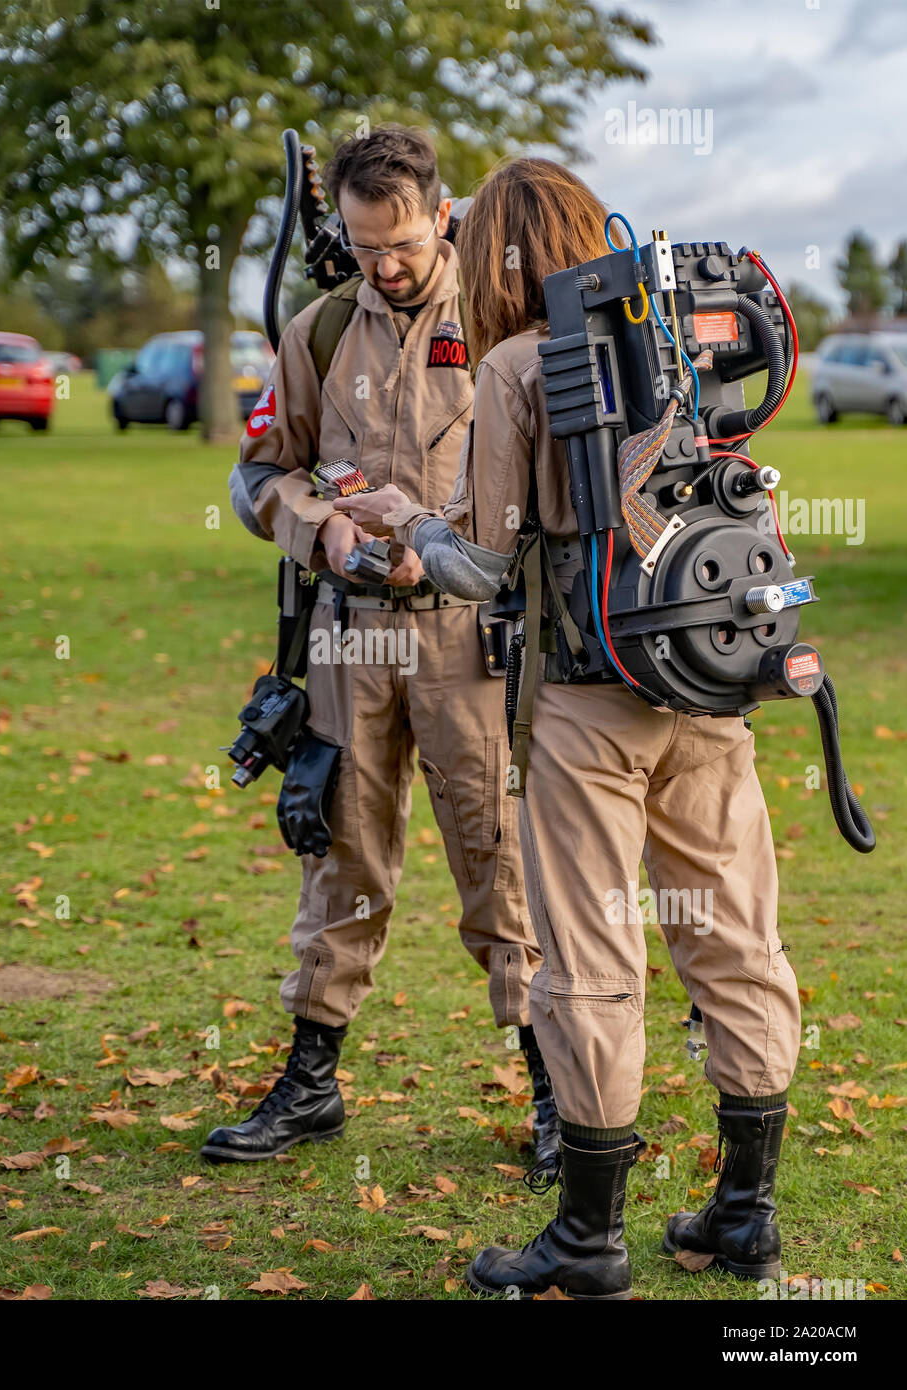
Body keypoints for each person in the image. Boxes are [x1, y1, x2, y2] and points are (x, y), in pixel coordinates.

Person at [333, 157, 802, 1300]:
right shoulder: (679, 347)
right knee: (735, 938)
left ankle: (588, 1240)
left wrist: (408, 521)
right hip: (703, 679)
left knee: (590, 961)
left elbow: (483, 563)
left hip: (586, 702)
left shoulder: (509, 365)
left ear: (492, 254)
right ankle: (745, 1214)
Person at [209, 127, 559, 1171]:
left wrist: (437, 549)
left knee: (501, 870)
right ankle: (311, 1084)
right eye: (363, 247)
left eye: (399, 243)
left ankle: (556, 1094)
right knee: (339, 864)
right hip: (346, 644)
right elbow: (257, 471)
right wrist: (315, 523)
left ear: (440, 216)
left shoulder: (505, 327)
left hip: (470, 643)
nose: (383, 266)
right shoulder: (316, 331)